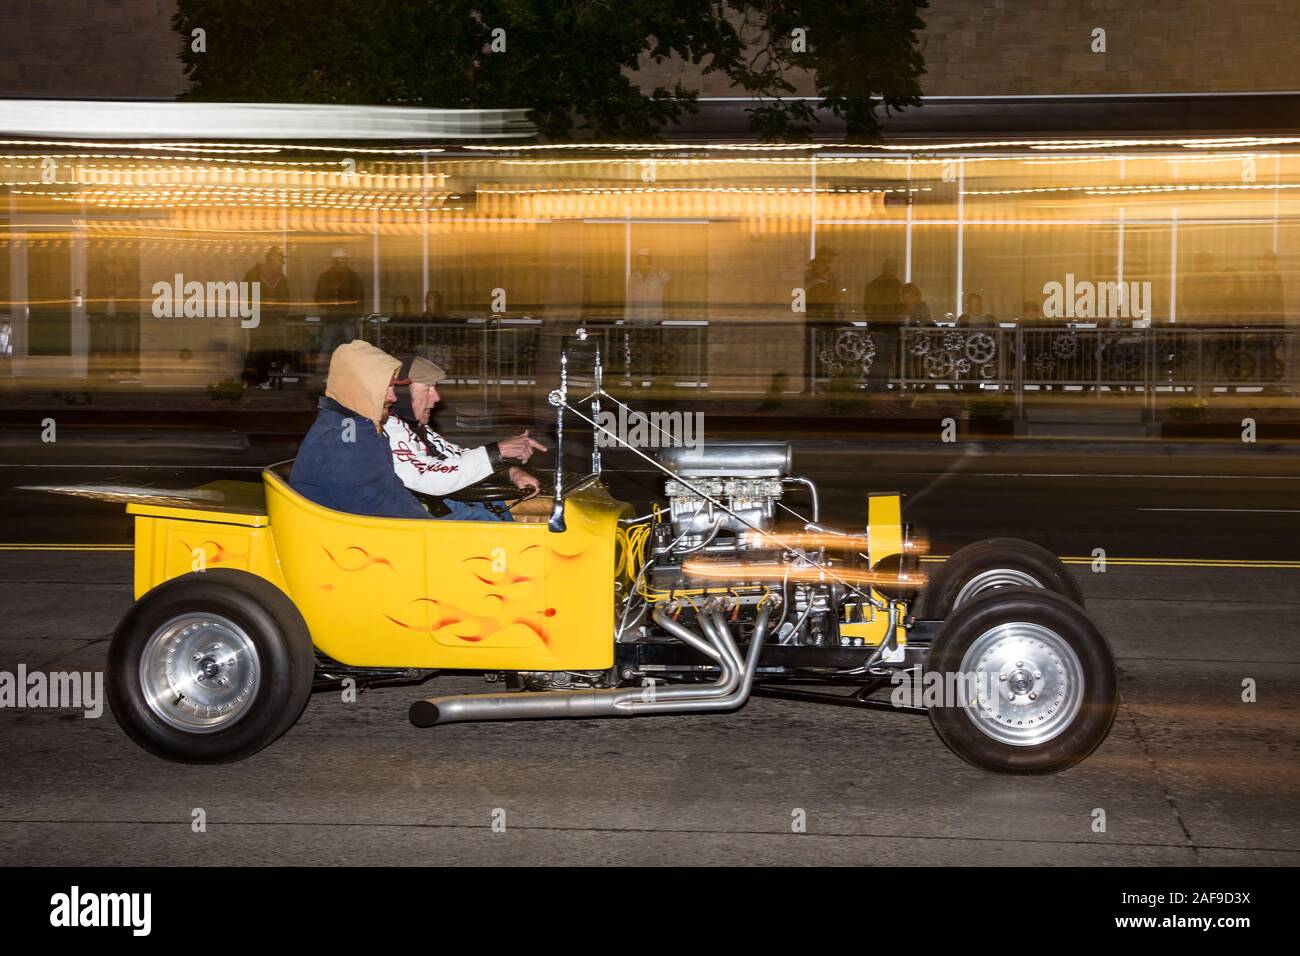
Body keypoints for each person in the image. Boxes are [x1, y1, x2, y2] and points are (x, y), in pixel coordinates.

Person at [384, 354, 545, 521]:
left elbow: (456, 458)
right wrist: (497, 452)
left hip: (435, 508)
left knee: (493, 503)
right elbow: (429, 478)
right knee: (480, 518)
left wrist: (511, 472)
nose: (437, 397)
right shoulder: (390, 430)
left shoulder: (414, 428)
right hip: (415, 519)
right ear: (403, 394)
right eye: (427, 388)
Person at [290, 340, 431, 519]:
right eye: (385, 387)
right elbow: (378, 510)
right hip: (359, 541)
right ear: (360, 388)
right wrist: (438, 528)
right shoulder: (344, 440)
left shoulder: (356, 425)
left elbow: (391, 491)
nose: (393, 397)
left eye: (392, 387)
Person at [241, 246, 292, 389]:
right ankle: (250, 379)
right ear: (271, 260)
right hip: (258, 316)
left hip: (272, 318)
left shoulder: (280, 278)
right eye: (280, 260)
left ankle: (261, 379)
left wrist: (279, 310)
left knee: (267, 349)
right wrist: (263, 303)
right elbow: (246, 294)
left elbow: (286, 298)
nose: (282, 263)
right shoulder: (254, 275)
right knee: (257, 347)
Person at [314, 248, 365, 371]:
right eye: (340, 260)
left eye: (343, 260)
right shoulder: (352, 277)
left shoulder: (327, 277)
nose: (342, 262)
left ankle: (324, 373)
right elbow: (359, 297)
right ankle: (346, 372)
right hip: (339, 317)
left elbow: (359, 297)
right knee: (347, 346)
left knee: (329, 346)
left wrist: (326, 304)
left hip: (337, 317)